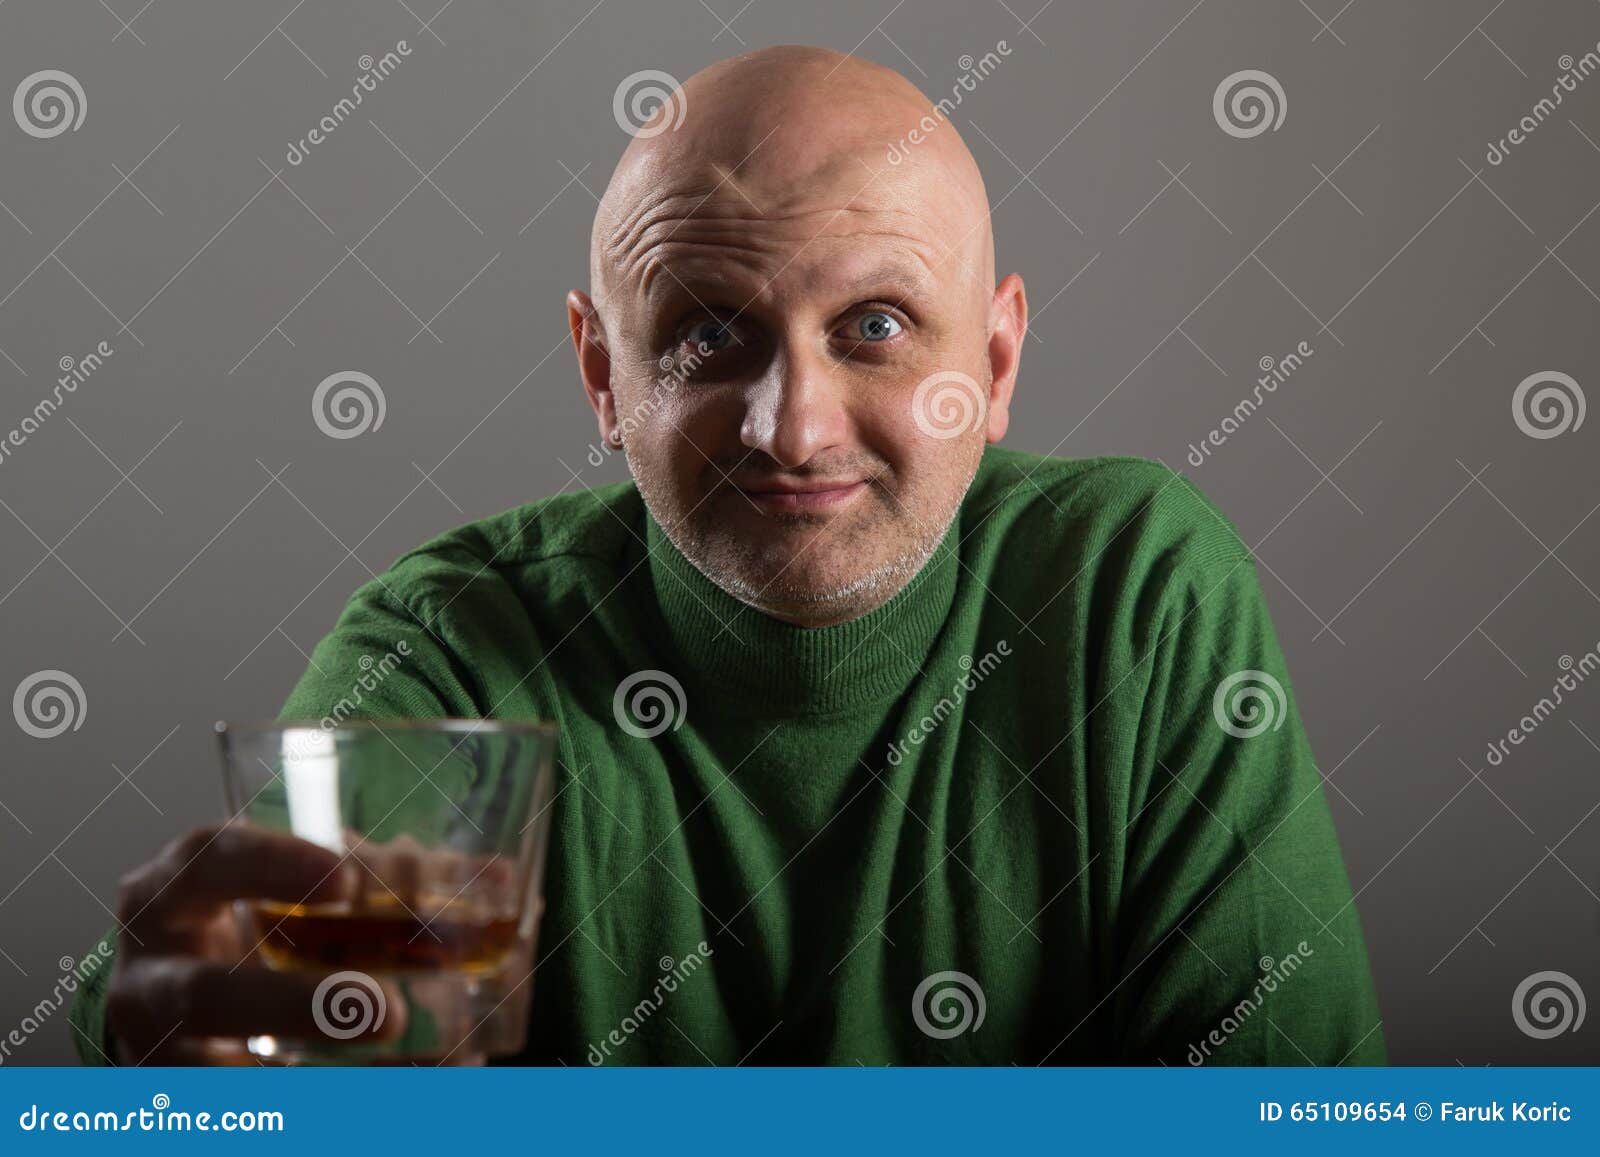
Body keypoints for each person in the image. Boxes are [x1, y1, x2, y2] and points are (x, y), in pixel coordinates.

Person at [70, 45, 1383, 1066]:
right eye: (706, 335)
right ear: (602, 372)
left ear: (991, 365)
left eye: (873, 323)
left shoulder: (1129, 594)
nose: (793, 426)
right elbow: (220, 1041)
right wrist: (152, 1052)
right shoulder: (454, 649)